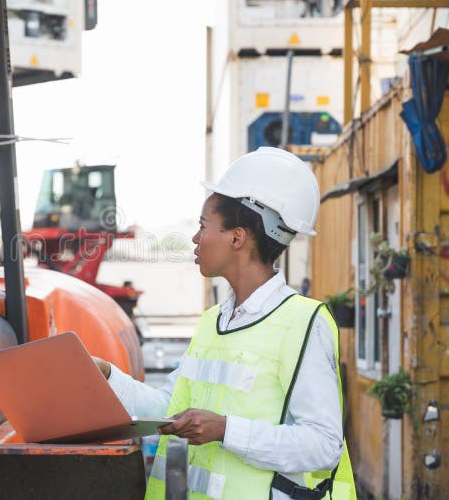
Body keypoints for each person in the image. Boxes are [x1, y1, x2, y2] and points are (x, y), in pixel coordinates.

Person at [96, 147, 356, 499]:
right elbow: (170, 412)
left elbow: (324, 446)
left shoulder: (302, 323)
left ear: (237, 237)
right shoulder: (212, 322)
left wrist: (226, 430)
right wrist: (108, 375)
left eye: (203, 226)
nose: (194, 238)